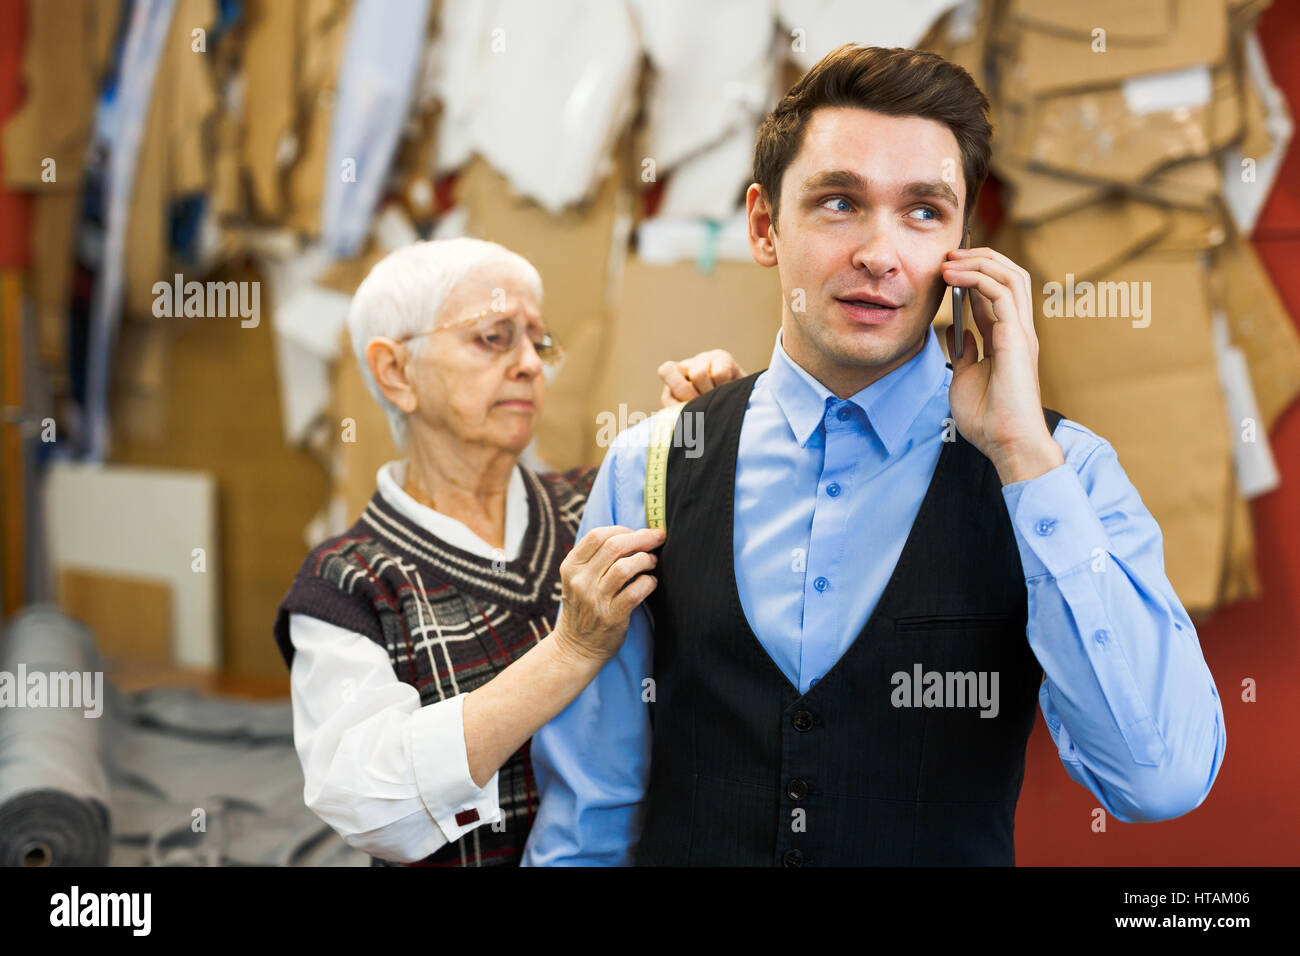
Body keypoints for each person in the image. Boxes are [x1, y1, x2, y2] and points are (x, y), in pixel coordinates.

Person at [522, 44, 1227, 866]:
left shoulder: (1063, 472)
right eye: (839, 203)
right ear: (762, 226)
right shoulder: (651, 462)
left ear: (965, 246)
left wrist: (1023, 456)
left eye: (924, 212)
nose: (880, 254)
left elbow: (1158, 782)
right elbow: (592, 814)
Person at [271, 237, 742, 866]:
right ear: (395, 371)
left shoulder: (596, 502)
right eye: (493, 337)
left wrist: (705, 447)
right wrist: (569, 651)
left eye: (538, 342)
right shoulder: (346, 581)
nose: (529, 364)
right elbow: (366, 802)